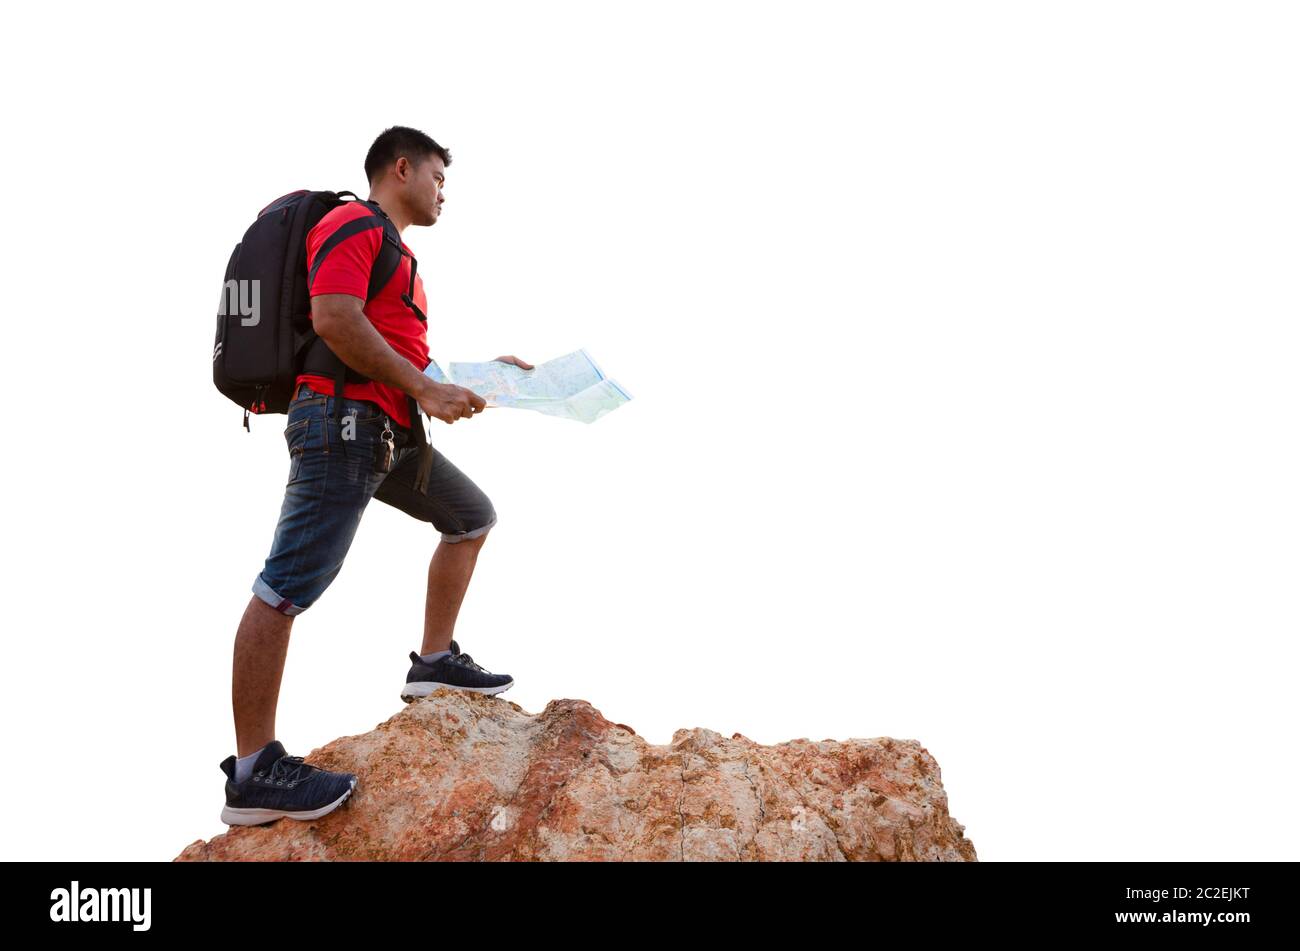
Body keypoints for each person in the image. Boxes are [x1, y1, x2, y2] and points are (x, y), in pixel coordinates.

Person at [219, 126, 533, 827]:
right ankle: (252, 772)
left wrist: (484, 378)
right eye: (438, 178)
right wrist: (424, 390)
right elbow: (334, 319)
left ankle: (432, 662)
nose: (443, 192)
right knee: (284, 586)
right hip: (340, 425)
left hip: (382, 430)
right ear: (401, 168)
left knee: (470, 516)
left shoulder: (398, 253)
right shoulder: (353, 223)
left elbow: (396, 357)